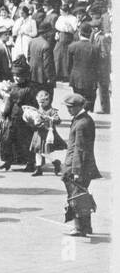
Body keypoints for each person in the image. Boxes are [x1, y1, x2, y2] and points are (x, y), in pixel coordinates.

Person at [61, 92, 101, 237]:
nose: (68, 110)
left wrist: (76, 170)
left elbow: (80, 148)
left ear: (79, 106)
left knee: (76, 197)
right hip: (79, 165)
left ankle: (79, 228)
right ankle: (86, 227)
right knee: (82, 196)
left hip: (78, 166)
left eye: (71, 107)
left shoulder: (82, 123)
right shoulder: (82, 119)